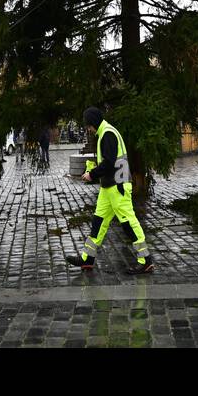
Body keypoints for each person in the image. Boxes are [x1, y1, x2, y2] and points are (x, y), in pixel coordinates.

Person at [65, 106, 154, 274]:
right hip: (109, 187)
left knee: (128, 223)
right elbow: (107, 161)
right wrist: (93, 170)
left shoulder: (107, 134)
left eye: (88, 125)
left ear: (93, 122)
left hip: (117, 186)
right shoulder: (105, 133)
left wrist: (92, 174)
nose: (87, 128)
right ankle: (87, 259)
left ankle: (146, 260)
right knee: (98, 222)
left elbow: (109, 162)